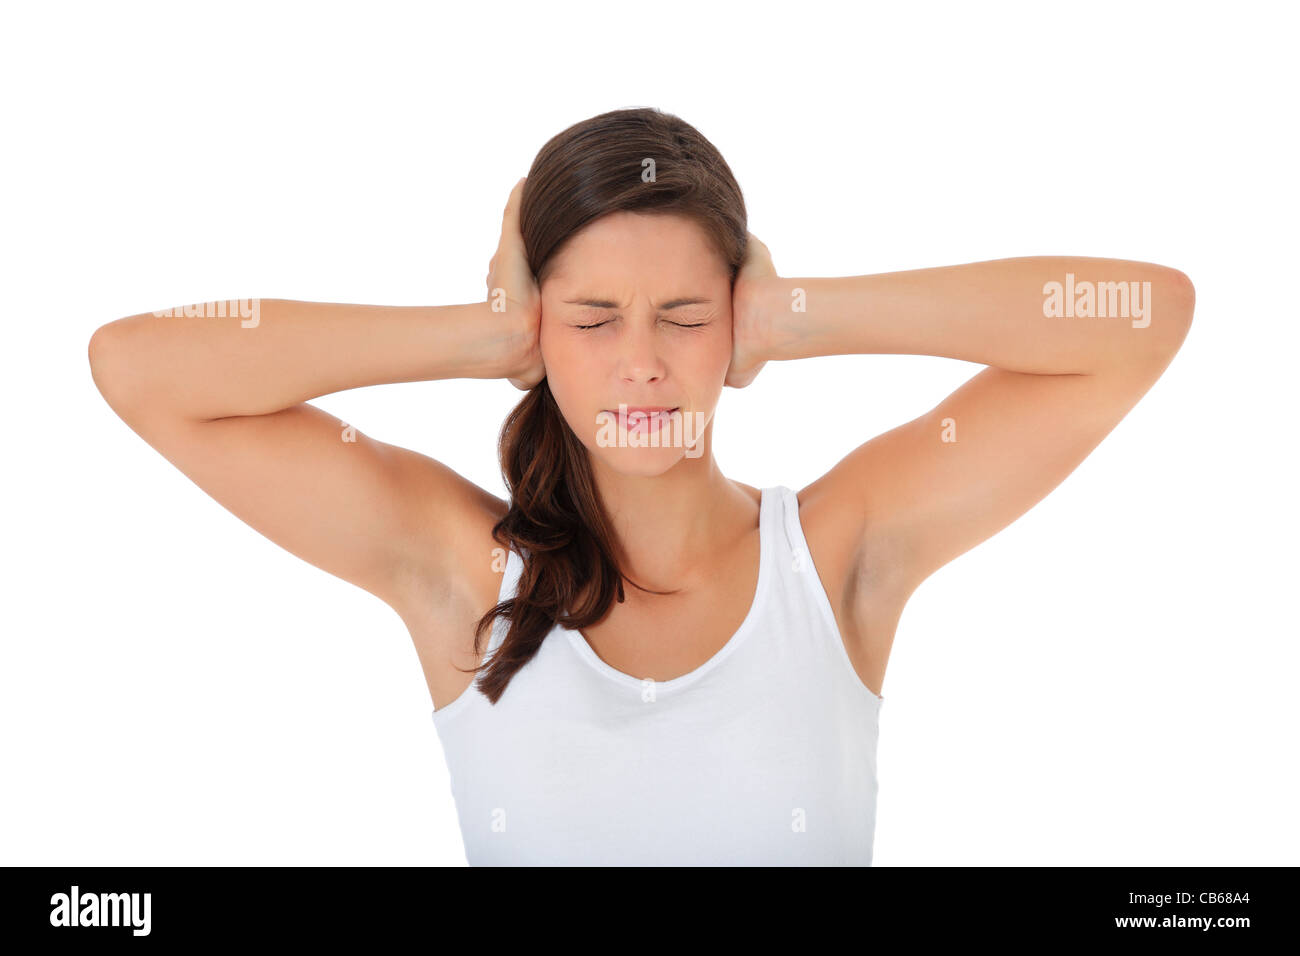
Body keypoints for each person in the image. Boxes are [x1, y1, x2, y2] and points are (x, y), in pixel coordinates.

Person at [87, 107, 1195, 865]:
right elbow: (137, 369)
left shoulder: (841, 551)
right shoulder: (460, 567)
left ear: (734, 323)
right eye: (590, 318)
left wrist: (801, 312)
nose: (642, 364)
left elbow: (1141, 318)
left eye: (682, 315)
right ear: (538, 329)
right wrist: (478, 334)